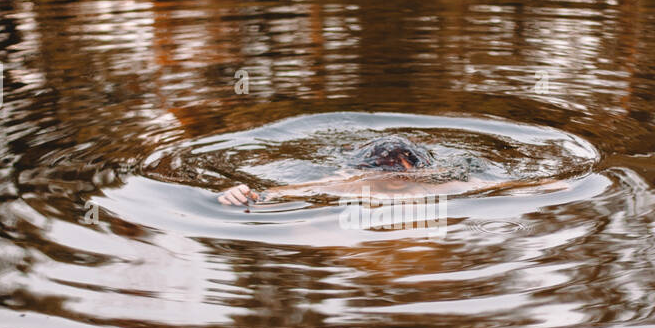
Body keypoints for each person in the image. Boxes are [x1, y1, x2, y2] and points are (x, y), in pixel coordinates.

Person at [217, 134, 568, 205]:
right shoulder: (346, 184)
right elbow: (264, 195)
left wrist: (548, 184)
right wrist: (236, 194)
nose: (398, 182)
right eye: (390, 175)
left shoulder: (443, 185)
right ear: (366, 173)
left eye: (405, 176)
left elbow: (505, 184)